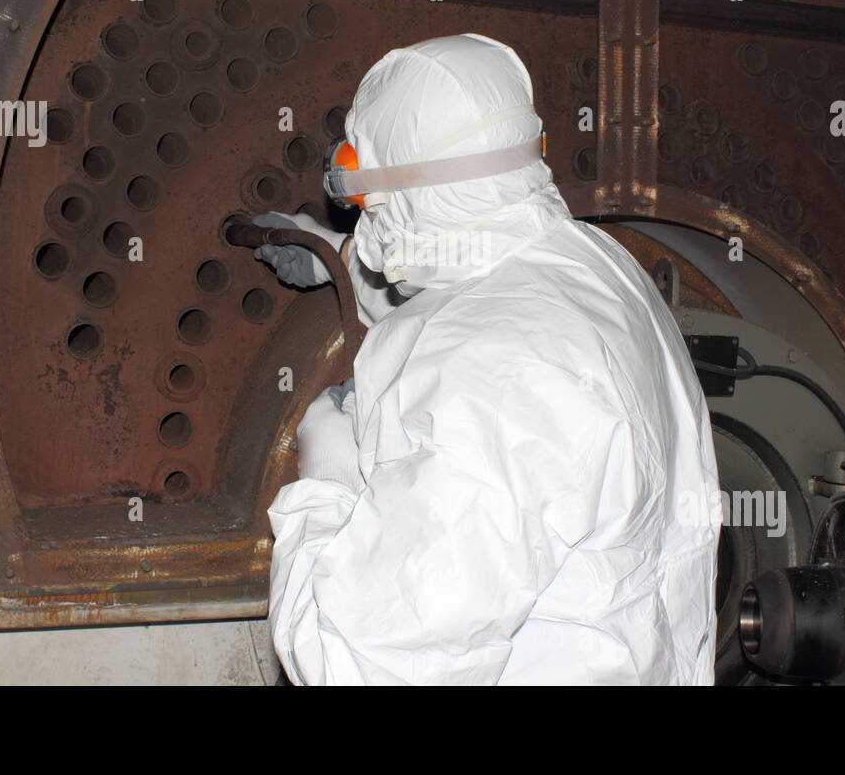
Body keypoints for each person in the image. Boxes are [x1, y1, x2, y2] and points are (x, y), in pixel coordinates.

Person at [253, 33, 720, 685]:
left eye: (363, 191)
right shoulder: (600, 268)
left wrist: (328, 481)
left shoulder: (484, 387)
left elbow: (357, 664)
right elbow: (484, 283)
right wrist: (339, 257)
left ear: (393, 193)